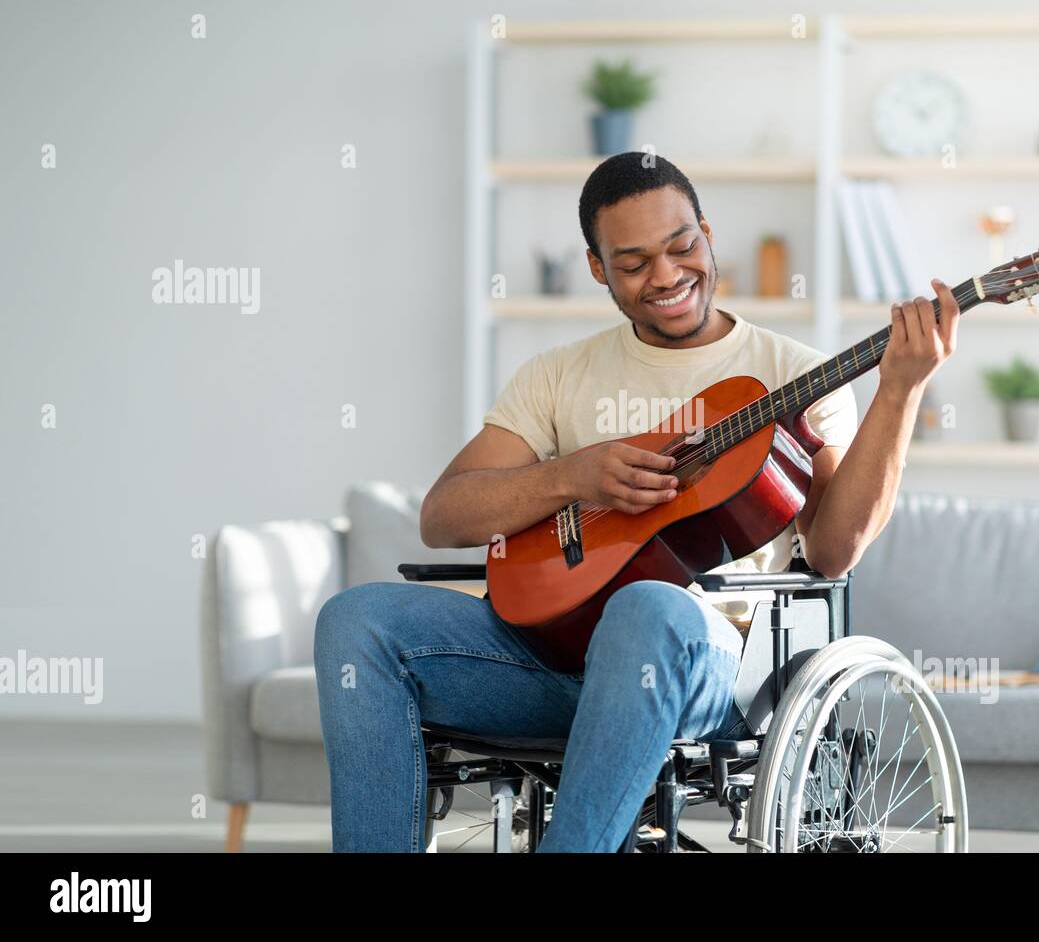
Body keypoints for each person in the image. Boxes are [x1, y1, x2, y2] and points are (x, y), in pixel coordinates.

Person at [314, 152, 960, 852]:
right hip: (549, 662)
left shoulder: (795, 375)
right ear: (597, 269)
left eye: (683, 247)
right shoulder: (557, 375)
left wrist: (900, 389)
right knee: (358, 620)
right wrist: (573, 476)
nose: (667, 275)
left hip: (708, 667)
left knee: (646, 604)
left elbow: (833, 550)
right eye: (633, 262)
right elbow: (443, 517)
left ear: (708, 236)